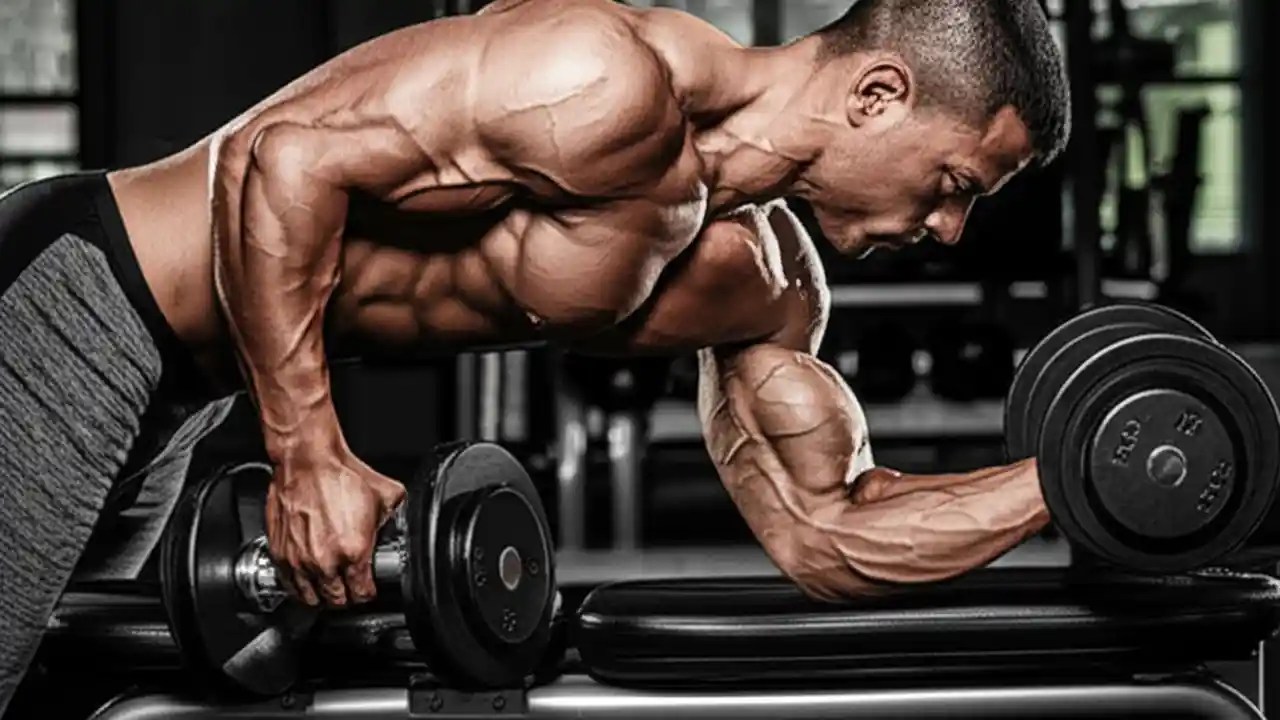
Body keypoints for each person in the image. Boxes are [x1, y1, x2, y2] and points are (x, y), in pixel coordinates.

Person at [0, 0, 1070, 711]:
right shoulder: (601, 80)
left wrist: (1070, 484)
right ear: (877, 95)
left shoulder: (769, 285)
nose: (947, 230)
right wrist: (308, 454)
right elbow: (281, 164)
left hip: (184, 385)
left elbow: (825, 537)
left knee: (71, 692)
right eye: (954, 185)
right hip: (81, 294)